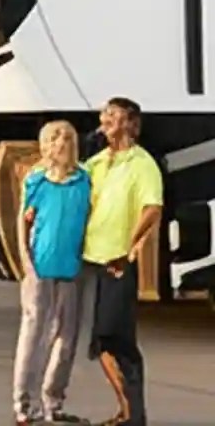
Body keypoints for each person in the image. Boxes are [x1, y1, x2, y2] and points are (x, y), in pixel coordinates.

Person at [82, 97, 164, 426]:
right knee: (99, 340)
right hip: (88, 260)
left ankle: (136, 414)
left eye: (115, 115)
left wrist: (129, 249)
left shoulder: (142, 164)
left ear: (132, 124)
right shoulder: (96, 163)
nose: (106, 119)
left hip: (117, 261)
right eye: (105, 114)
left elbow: (152, 208)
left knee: (118, 337)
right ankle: (127, 411)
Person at [12, 120, 93, 425]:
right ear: (46, 145)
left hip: (71, 268)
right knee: (33, 334)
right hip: (40, 268)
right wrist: (25, 263)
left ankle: (53, 402)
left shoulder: (85, 180)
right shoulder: (36, 181)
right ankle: (24, 404)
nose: (62, 144)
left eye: (68, 138)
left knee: (67, 338)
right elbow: (24, 222)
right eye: (56, 139)